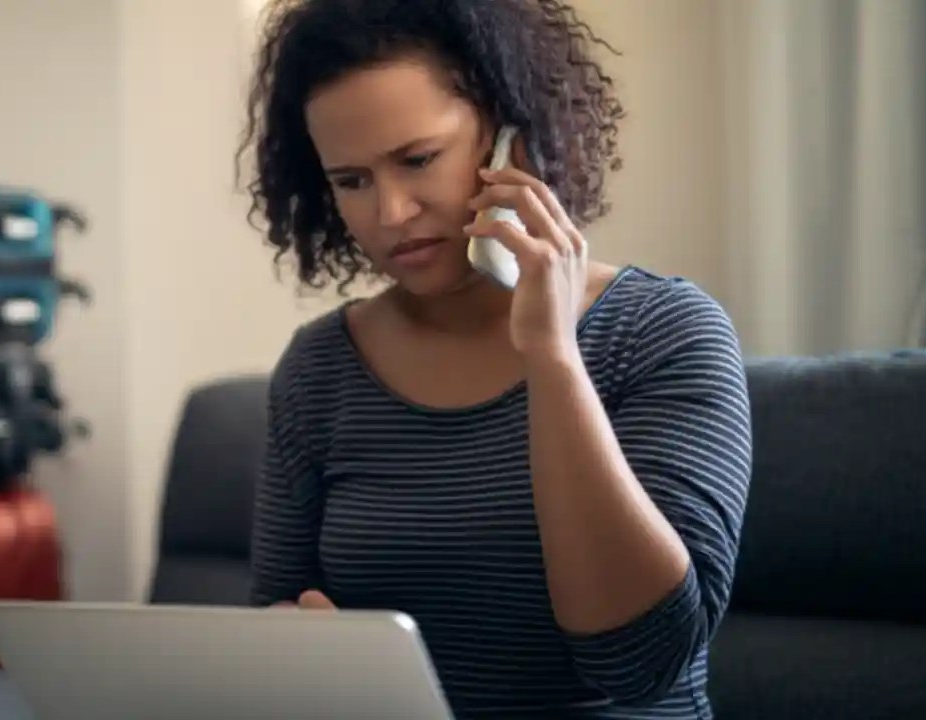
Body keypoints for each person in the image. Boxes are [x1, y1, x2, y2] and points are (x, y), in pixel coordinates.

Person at [239, 1, 752, 718]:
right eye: (351, 181)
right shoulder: (320, 368)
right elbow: (274, 618)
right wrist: (300, 650)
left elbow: (640, 663)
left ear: (513, 137)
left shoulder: (664, 332)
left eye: (418, 160)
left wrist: (552, 359)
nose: (390, 213)